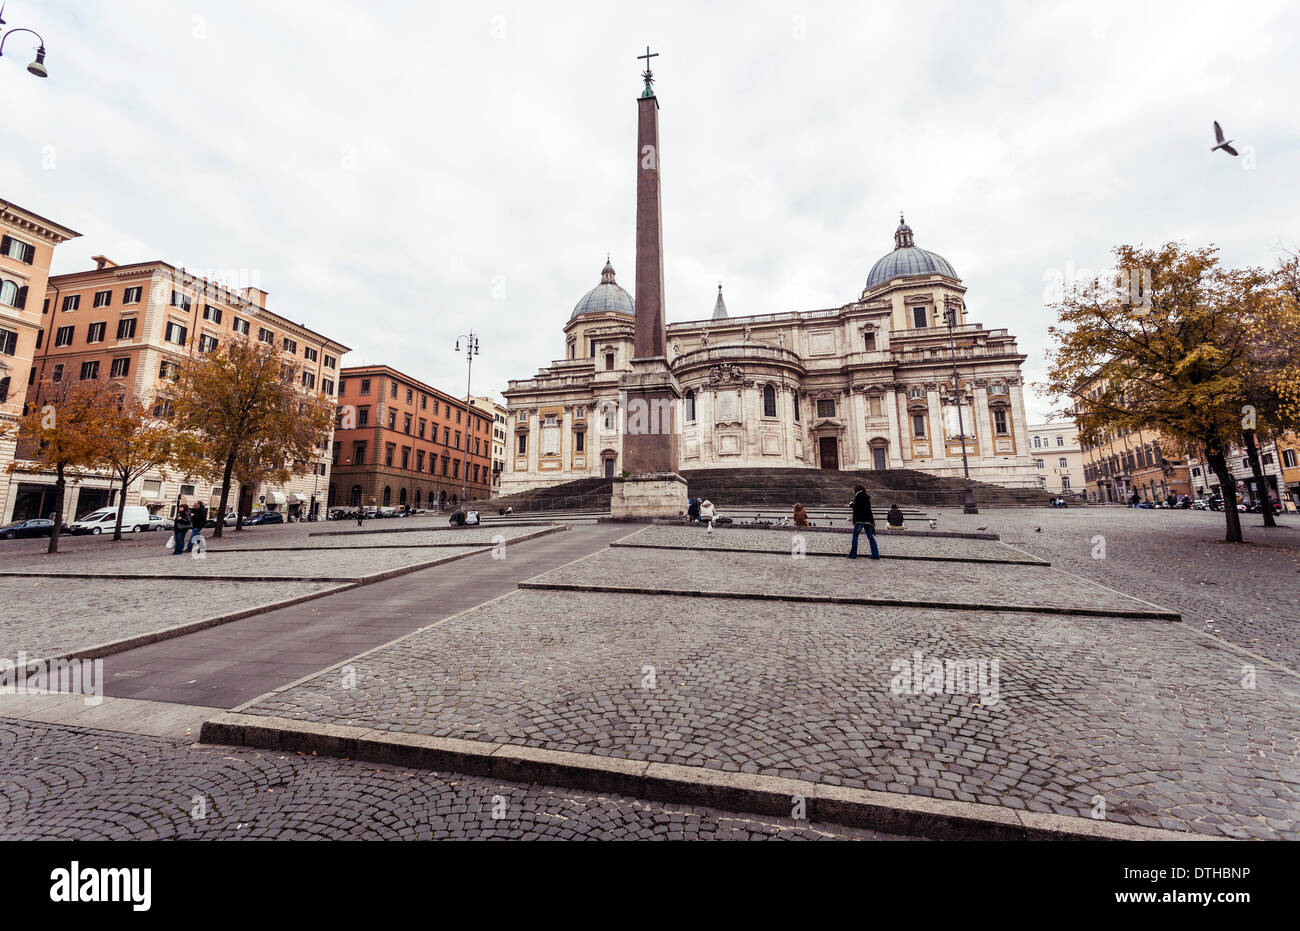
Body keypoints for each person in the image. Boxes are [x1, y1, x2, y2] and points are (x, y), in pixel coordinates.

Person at [848, 483, 879, 559]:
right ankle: (875, 555)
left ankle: (853, 554)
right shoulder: (866, 497)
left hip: (859, 520)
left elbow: (857, 508)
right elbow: (868, 510)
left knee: (855, 537)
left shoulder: (858, 496)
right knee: (870, 537)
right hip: (868, 520)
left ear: (856, 490)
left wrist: (851, 505)